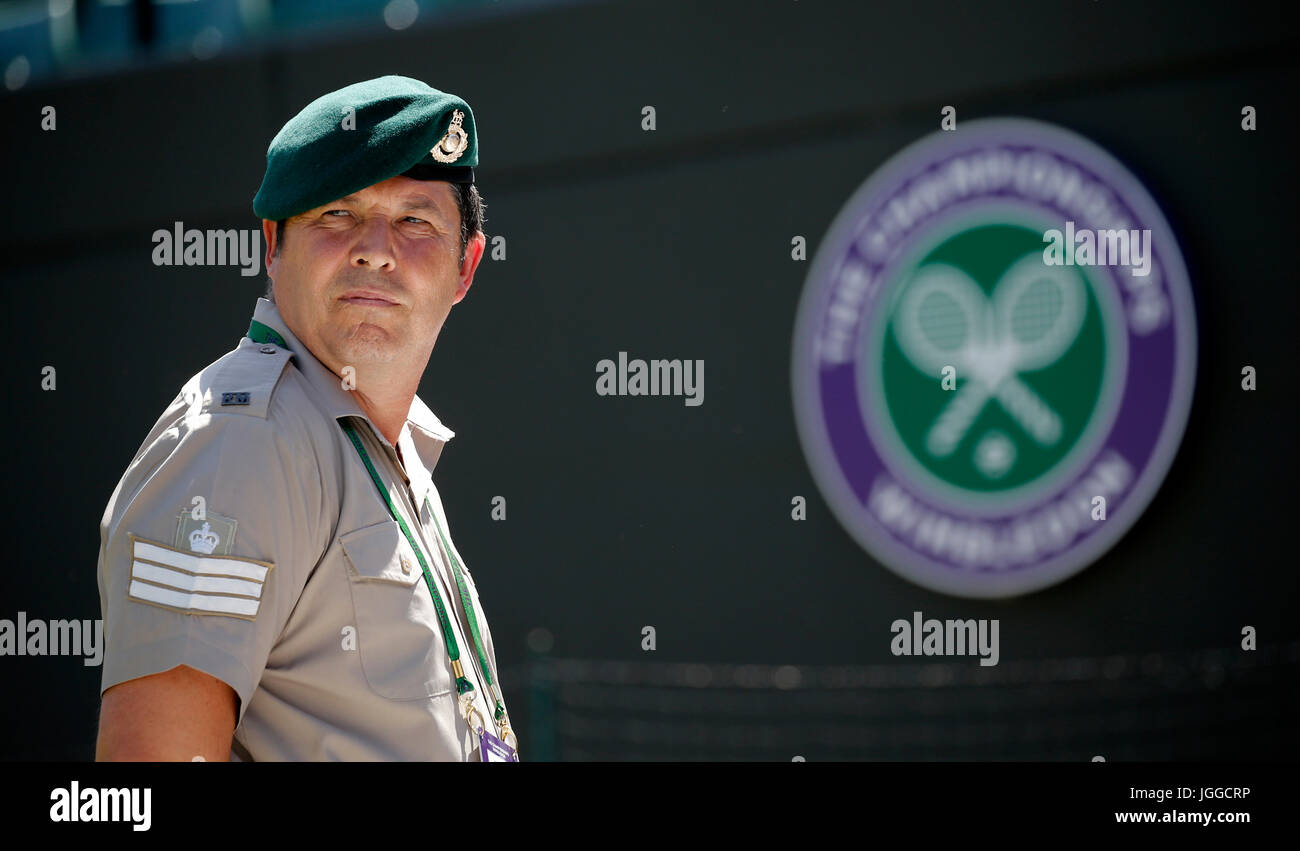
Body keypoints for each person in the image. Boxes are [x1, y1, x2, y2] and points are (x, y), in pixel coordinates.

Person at [95, 75, 518, 761]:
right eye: (336, 213)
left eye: (415, 220)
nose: (375, 248)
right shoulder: (241, 439)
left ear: (465, 266)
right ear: (273, 242)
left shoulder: (386, 449)